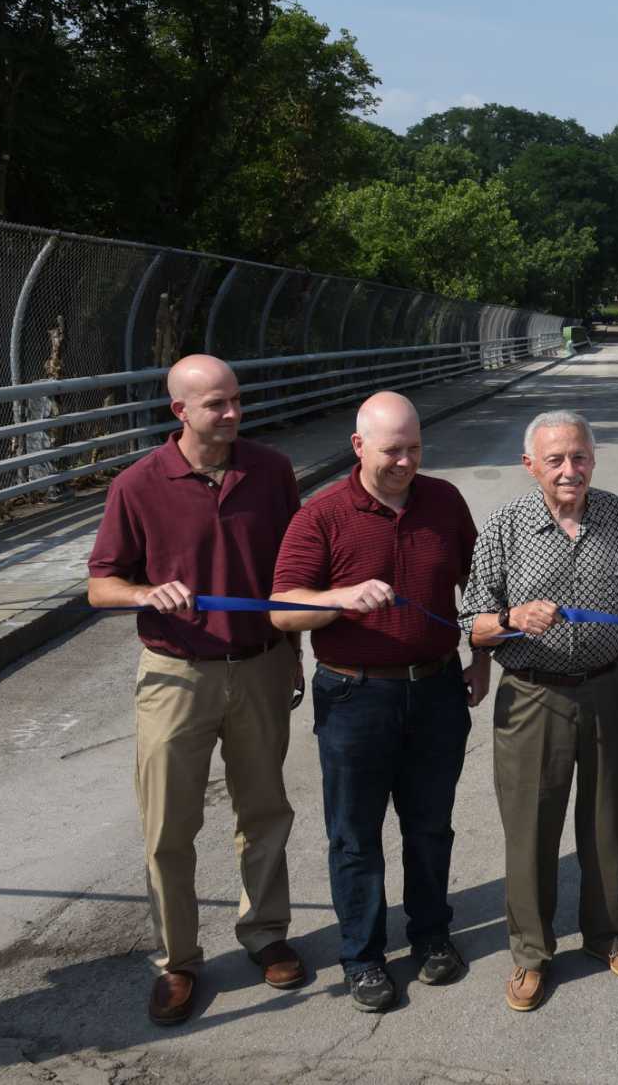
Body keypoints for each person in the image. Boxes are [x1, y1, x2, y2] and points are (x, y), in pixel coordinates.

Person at [86, 353, 305, 1026]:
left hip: (261, 663)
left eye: (237, 399)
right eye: (218, 404)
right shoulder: (139, 484)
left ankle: (266, 933)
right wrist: (148, 591)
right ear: (179, 410)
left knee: (264, 811)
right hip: (176, 674)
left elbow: (293, 573)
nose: (234, 413)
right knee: (168, 827)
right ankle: (178, 961)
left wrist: (292, 651)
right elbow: (100, 585)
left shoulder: (269, 471)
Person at [269, 392, 485, 1014]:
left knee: (429, 825)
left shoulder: (443, 501)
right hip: (355, 694)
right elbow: (283, 609)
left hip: (437, 686)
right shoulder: (322, 516)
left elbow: (479, 584)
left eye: (415, 448)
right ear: (359, 446)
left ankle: (431, 933)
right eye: (393, 450)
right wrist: (339, 597)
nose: (406, 461)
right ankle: (362, 955)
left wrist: (480, 657)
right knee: (355, 834)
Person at [461, 410, 618, 1013]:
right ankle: (531, 954)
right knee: (531, 829)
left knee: (606, 820)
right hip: (532, 694)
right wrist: (510, 620)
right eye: (555, 460)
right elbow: (470, 623)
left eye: (579, 457)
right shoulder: (504, 526)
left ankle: (606, 935)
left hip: (609, 688)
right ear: (531, 466)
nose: (569, 469)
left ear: (593, 460)